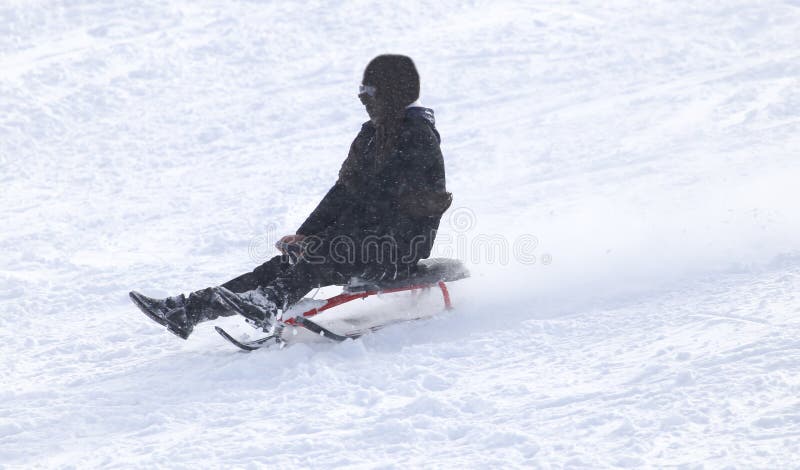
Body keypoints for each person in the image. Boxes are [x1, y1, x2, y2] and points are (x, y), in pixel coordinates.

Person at [130, 54, 452, 339]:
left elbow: (404, 209)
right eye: (361, 94)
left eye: (370, 94)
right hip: (357, 240)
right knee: (281, 265)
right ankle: (191, 310)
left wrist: (330, 241)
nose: (364, 101)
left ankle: (268, 303)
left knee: (317, 258)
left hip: (394, 248)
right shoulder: (372, 135)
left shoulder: (417, 137)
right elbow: (342, 194)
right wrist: (306, 235)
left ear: (395, 93)